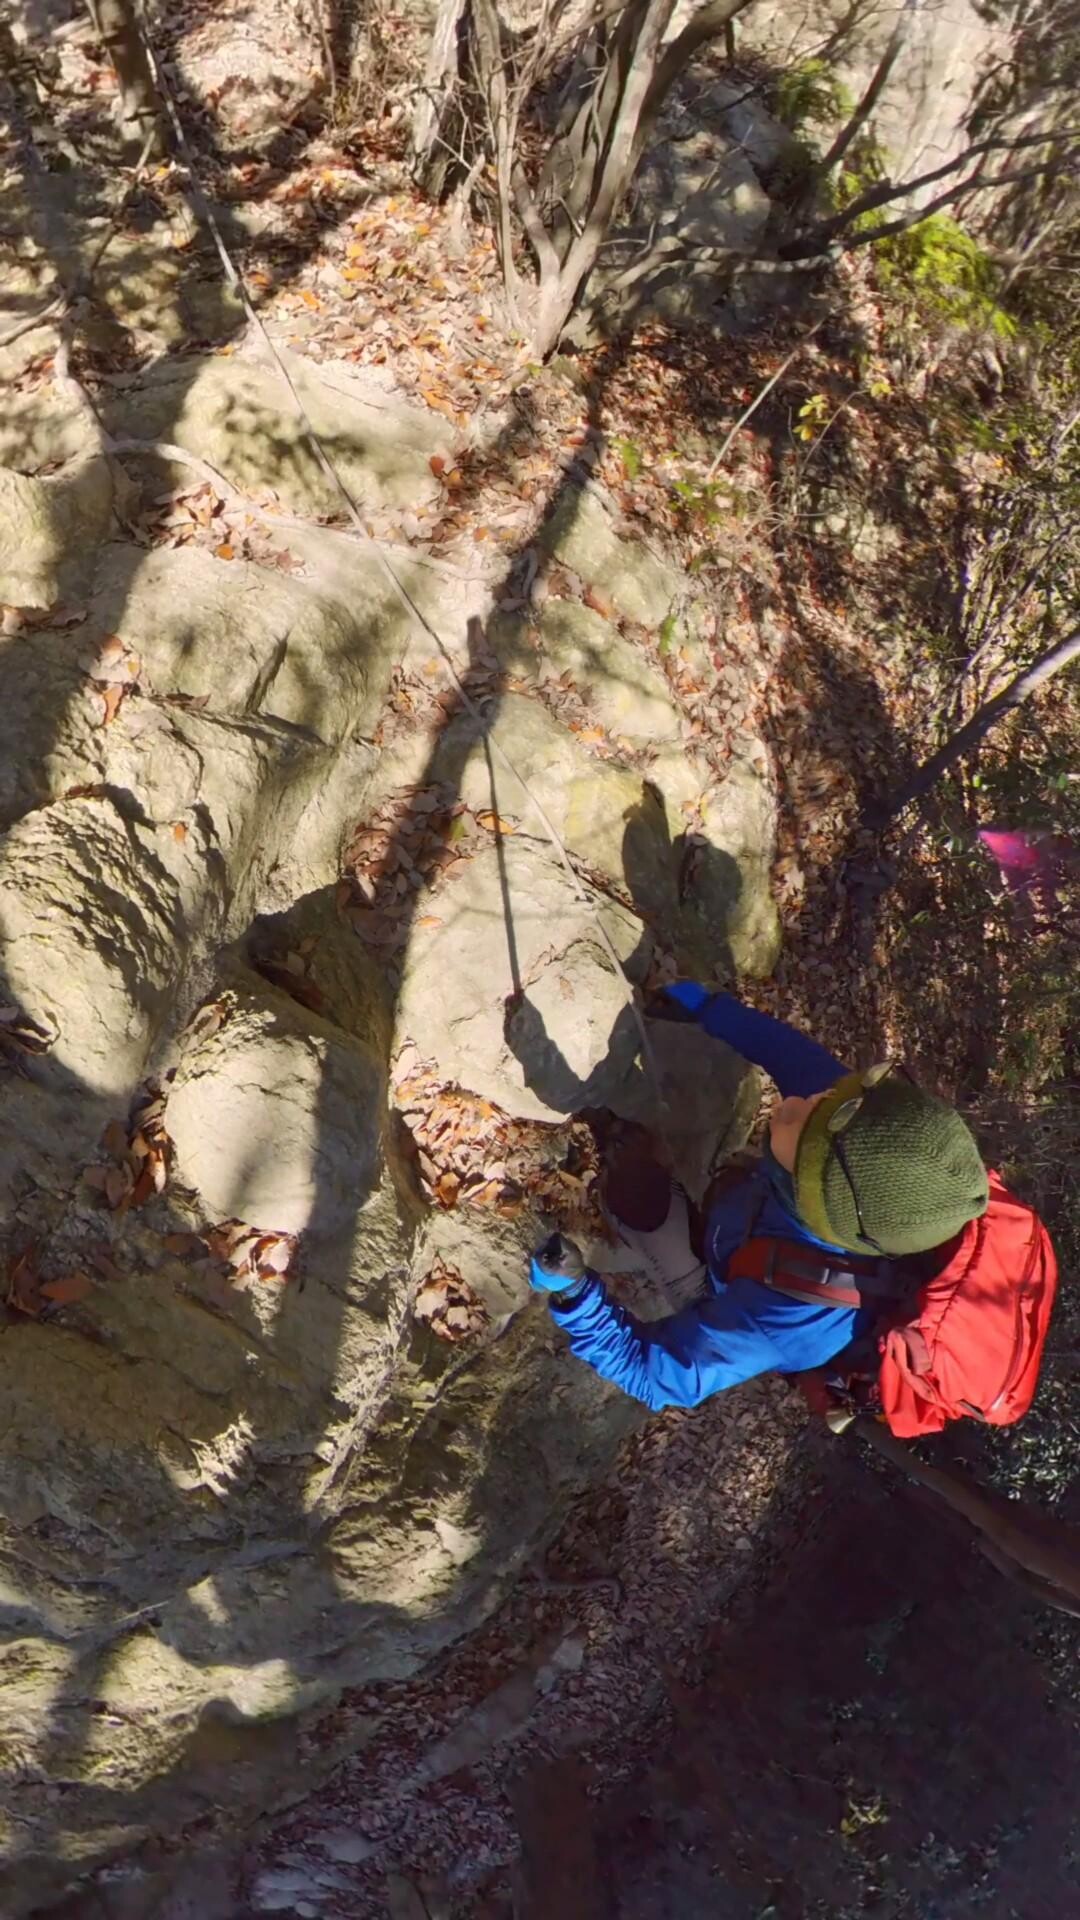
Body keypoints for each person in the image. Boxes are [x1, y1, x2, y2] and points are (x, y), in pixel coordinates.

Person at [529, 984, 991, 1413]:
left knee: (635, 1194)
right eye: (828, 1101)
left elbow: (656, 1376)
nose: (798, 1102)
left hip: (729, 1281)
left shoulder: (790, 1323)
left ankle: (628, 1177)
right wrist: (711, 1009)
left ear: (822, 1194)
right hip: (754, 1213)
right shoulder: (847, 1119)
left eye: (808, 1130)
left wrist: (576, 1294)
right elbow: (790, 1057)